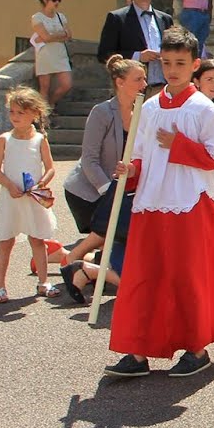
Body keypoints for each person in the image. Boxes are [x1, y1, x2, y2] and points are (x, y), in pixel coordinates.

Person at [103, 27, 214, 379]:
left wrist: (179, 145)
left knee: (187, 276)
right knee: (144, 275)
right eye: (166, 63)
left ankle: (196, 348)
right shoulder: (148, 108)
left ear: (194, 65)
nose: (172, 70)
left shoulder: (203, 108)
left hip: (191, 201)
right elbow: (141, 153)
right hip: (152, 199)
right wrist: (131, 169)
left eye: (180, 63)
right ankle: (138, 350)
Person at [58, 56, 146, 302]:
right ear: (120, 82)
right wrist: (108, 191)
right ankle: (72, 260)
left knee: (120, 226)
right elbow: (89, 159)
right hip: (87, 190)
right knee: (115, 224)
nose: (144, 84)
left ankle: (80, 266)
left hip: (119, 188)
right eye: (138, 79)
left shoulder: (142, 112)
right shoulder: (102, 112)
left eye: (144, 79)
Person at [0, 87, 60, 303]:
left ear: (34, 114)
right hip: (11, 198)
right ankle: (0, 287)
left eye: (20, 112)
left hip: (32, 198)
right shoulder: (4, 139)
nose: (15, 116)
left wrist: (41, 183)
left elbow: (50, 167)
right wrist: (9, 185)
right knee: (6, 240)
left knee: (37, 239)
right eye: (12, 112)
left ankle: (43, 282)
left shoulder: (40, 139)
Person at [96, 0, 172, 92]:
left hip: (163, 88)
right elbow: (104, 54)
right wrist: (138, 56)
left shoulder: (165, 19)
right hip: (133, 89)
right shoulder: (117, 18)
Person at [31, 0, 73, 108]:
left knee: (67, 84)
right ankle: (44, 113)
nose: (57, 2)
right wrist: (59, 36)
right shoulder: (37, 17)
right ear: (45, 0)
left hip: (60, 54)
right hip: (45, 54)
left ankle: (50, 104)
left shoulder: (61, 17)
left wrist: (50, 37)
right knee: (44, 87)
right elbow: (46, 37)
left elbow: (69, 35)